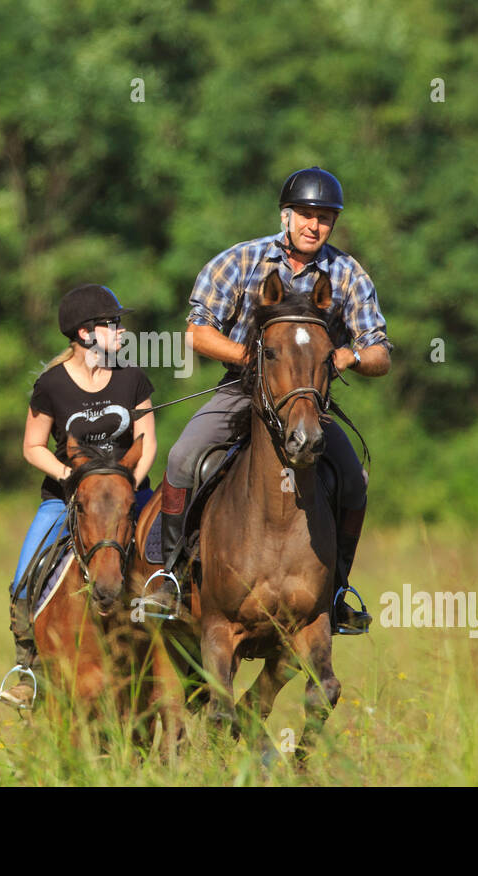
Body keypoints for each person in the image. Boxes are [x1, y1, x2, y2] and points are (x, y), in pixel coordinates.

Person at [144, 167, 391, 633]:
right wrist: (253, 360)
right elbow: (197, 334)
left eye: (324, 218)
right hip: (242, 389)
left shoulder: (348, 273)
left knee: (354, 481)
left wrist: (349, 355)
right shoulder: (240, 261)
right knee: (181, 458)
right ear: (286, 216)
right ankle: (168, 577)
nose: (314, 226)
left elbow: (381, 352)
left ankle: (337, 592)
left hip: (306, 402)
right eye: (305, 215)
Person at [0, 285, 157, 709]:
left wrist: (127, 484)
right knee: (22, 579)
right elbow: (32, 447)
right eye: (114, 325)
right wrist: (71, 476)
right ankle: (27, 670)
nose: (122, 332)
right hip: (66, 498)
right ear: (87, 333)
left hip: (128, 496)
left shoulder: (132, 377)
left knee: (174, 557)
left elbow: (148, 442)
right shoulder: (50, 385)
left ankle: (185, 653)